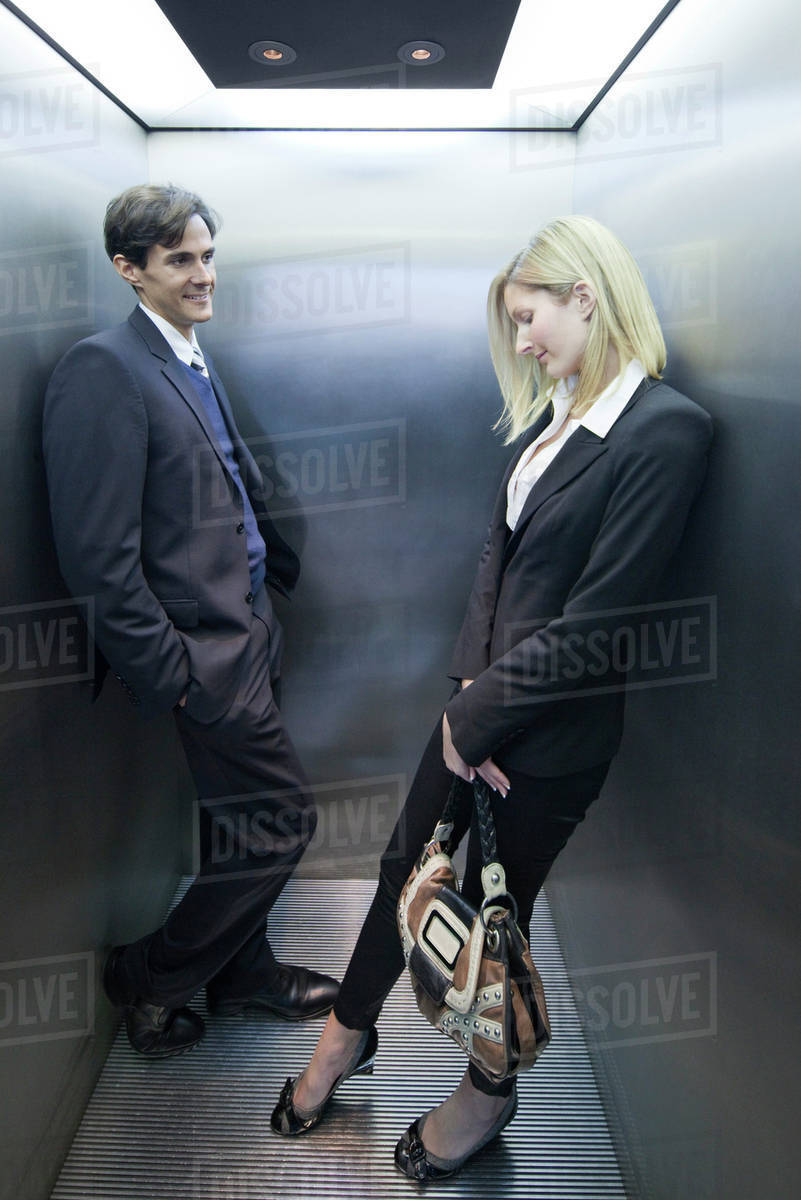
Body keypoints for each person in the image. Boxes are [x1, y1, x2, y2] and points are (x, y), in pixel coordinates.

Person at [270, 215, 713, 1180]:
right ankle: (346, 1038)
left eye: (529, 318)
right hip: (475, 713)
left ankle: (485, 1098)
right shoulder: (559, 409)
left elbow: (598, 623)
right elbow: (496, 560)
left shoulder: (666, 431)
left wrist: (475, 722)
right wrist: (465, 694)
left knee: (482, 931)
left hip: (548, 742)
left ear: (584, 296)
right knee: (402, 876)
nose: (521, 343)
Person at [42, 184, 338, 1058]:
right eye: (179, 260)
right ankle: (149, 975)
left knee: (237, 820)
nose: (203, 275)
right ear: (128, 270)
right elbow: (97, 556)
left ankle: (244, 974)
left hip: (246, 632)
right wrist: (173, 672)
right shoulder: (103, 369)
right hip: (201, 656)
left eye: (207, 255)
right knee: (283, 820)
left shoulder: (185, 357)